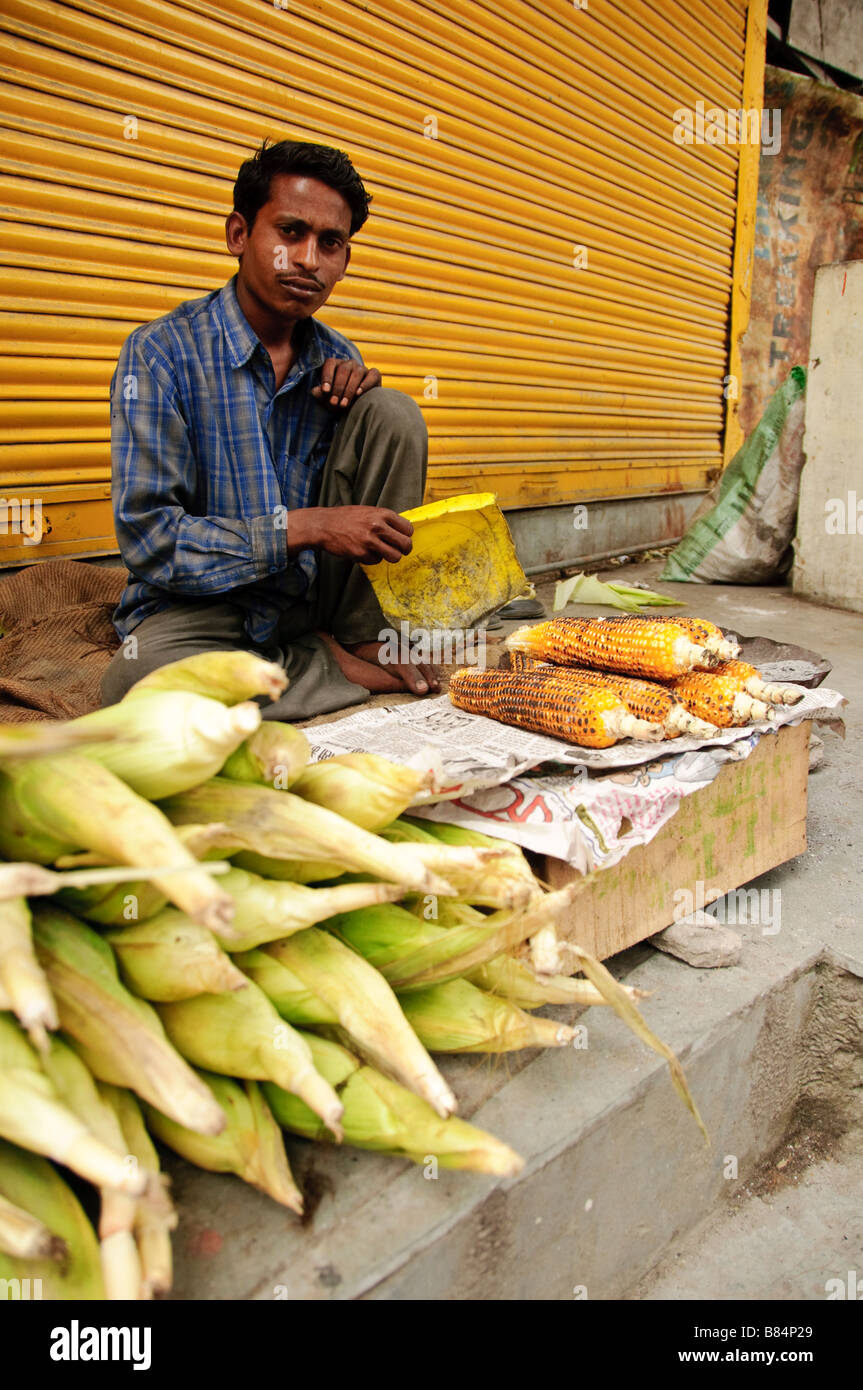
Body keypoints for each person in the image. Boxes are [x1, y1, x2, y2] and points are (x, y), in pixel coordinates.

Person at [101, 138, 440, 719]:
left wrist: (356, 411)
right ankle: (331, 667)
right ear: (239, 235)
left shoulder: (337, 359)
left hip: (308, 601)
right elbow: (153, 541)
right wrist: (310, 526)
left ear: (344, 260)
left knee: (392, 410)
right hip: (204, 609)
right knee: (136, 682)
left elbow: (361, 492)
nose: (309, 259)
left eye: (330, 243)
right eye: (290, 233)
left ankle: (357, 636)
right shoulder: (160, 354)